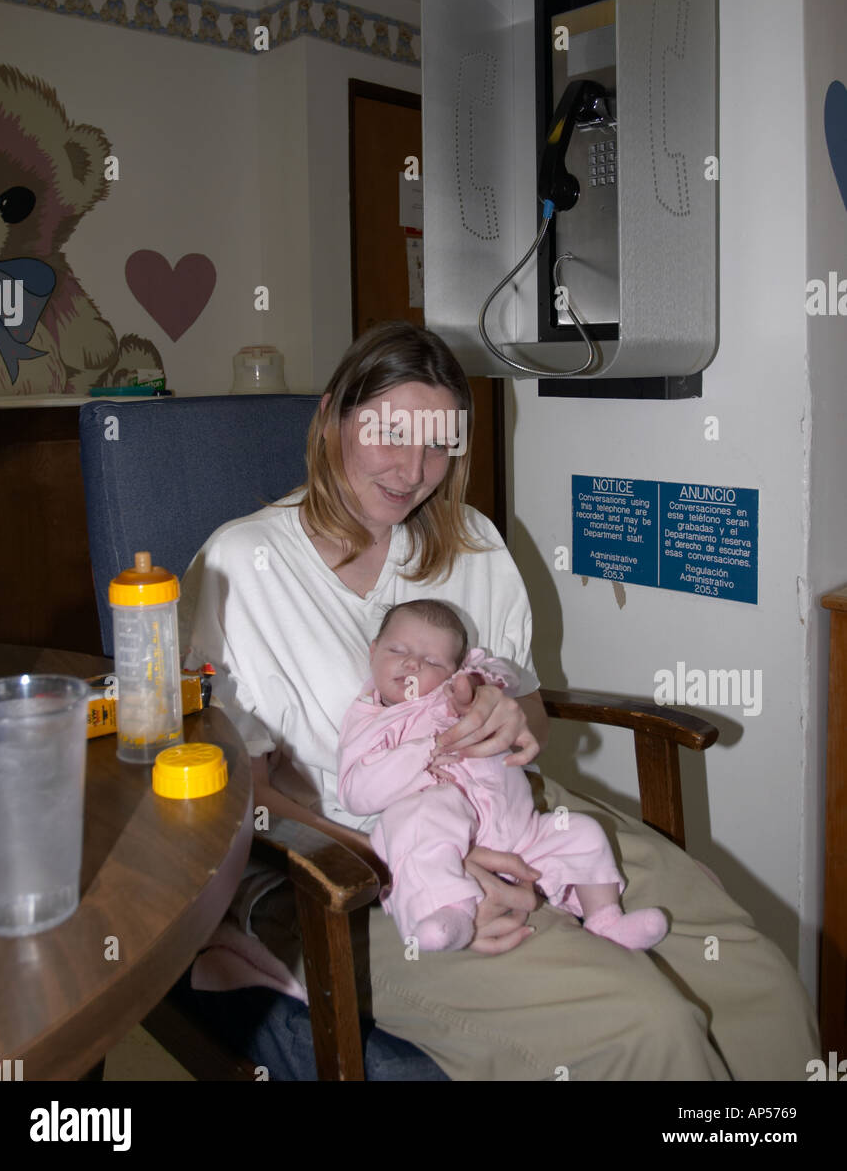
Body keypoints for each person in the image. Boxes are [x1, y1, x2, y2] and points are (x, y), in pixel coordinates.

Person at [178, 319, 820, 1081]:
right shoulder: (243, 566)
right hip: (348, 866)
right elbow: (230, 787)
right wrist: (403, 863)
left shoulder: (471, 545)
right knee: (650, 1029)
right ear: (329, 421)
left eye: (437, 441)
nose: (411, 469)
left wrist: (512, 719)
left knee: (754, 978)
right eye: (388, 431)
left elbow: (532, 712)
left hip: (519, 814)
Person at [338, 598, 668, 953]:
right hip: (447, 841)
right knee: (416, 823)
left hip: (521, 833)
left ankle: (606, 919)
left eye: (432, 661)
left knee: (583, 833)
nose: (413, 663)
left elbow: (505, 680)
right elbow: (356, 793)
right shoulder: (373, 721)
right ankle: (448, 912)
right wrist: (423, 751)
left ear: (453, 669)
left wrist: (479, 684)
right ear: (372, 652)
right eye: (397, 649)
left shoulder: (459, 695)